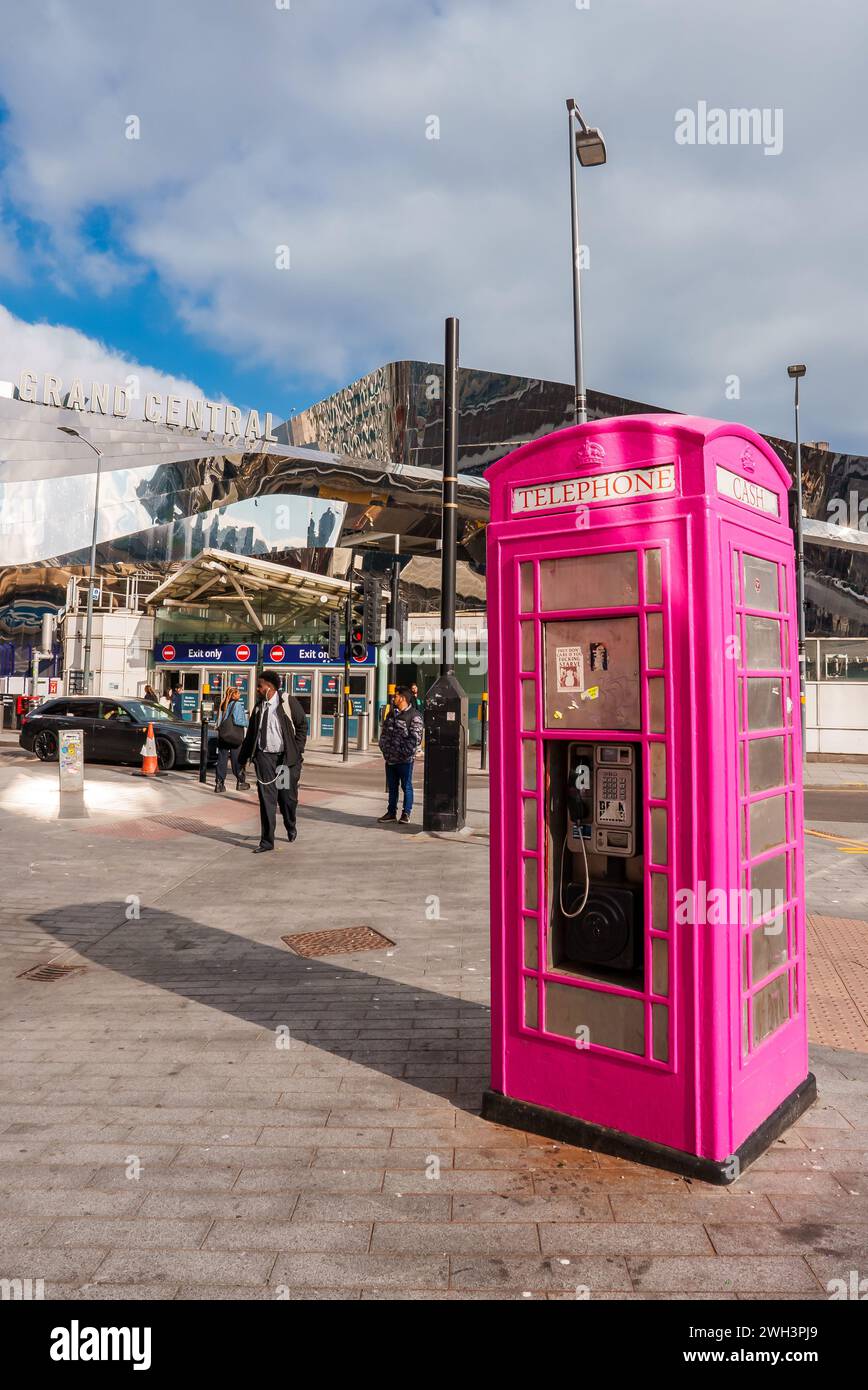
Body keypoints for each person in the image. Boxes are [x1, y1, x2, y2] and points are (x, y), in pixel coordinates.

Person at [238, 670, 307, 853]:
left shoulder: (287, 702)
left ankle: (290, 824)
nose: (258, 689)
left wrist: (297, 749)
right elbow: (251, 735)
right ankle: (267, 842)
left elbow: (302, 725)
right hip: (265, 759)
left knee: (286, 799)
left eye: (260, 686)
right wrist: (241, 760)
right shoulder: (259, 708)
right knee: (267, 800)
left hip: (284, 760)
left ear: (269, 687)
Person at [378, 684, 424, 824]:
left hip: (405, 760)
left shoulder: (414, 716)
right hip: (390, 759)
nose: (393, 698)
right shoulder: (391, 713)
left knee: (406, 786)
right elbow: (384, 734)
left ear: (403, 698)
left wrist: (403, 753)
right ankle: (391, 812)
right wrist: (385, 750)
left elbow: (415, 738)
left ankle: (406, 813)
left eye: (396, 696)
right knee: (392, 788)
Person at [214, 687, 250, 793]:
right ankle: (240, 782)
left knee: (222, 759)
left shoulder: (223, 704)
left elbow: (218, 722)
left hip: (223, 736)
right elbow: (239, 721)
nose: (240, 695)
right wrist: (248, 723)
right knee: (237, 759)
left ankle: (219, 784)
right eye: (238, 693)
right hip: (234, 735)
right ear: (234, 695)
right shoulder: (237, 704)